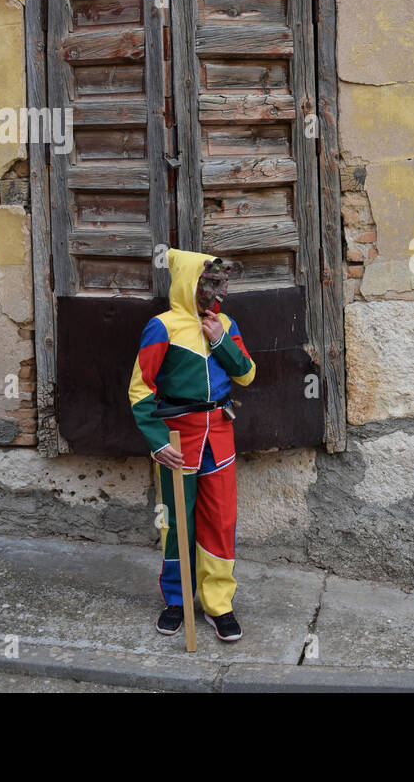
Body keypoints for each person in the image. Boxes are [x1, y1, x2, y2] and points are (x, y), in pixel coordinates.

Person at [129, 250, 256, 642]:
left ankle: (219, 604)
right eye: (211, 283)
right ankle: (177, 600)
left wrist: (221, 341)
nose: (220, 291)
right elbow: (140, 390)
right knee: (175, 522)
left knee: (220, 519)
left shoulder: (225, 323)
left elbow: (247, 375)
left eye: (222, 283)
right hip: (176, 440)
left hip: (219, 436)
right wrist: (155, 443)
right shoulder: (161, 327)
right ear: (189, 283)